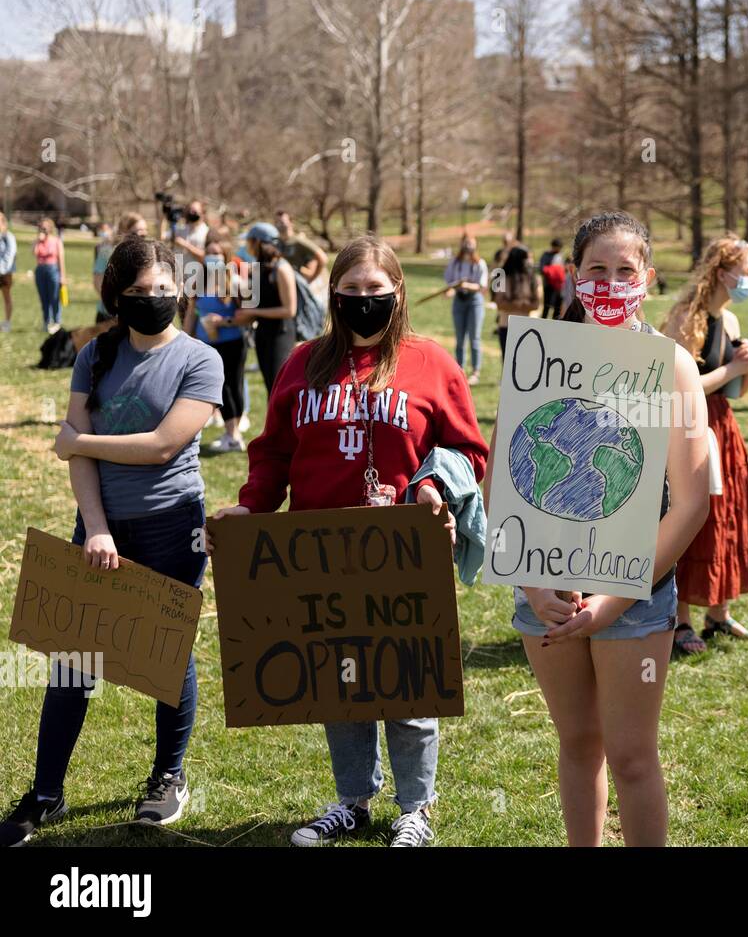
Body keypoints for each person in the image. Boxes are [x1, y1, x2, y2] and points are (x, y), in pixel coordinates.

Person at [209, 236, 488, 847]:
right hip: (321, 550)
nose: (365, 300)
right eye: (352, 290)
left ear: (398, 294)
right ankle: (353, 799)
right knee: (341, 679)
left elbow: (470, 447)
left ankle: (416, 806)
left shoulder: (431, 363)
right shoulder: (304, 362)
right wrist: (251, 507)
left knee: (406, 682)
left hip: (402, 548)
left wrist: (435, 482)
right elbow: (275, 451)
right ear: (334, 294)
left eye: (376, 290)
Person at [486, 210, 709, 846]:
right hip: (544, 589)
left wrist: (616, 600)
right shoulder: (537, 355)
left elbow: (691, 501)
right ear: (574, 276)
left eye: (625, 271)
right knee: (578, 744)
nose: (610, 283)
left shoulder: (671, 367)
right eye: (596, 270)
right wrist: (531, 584)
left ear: (648, 279)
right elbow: (501, 479)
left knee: (633, 756)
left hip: (636, 595)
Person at [0, 236, 223, 847]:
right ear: (116, 297)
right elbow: (78, 453)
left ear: (180, 290)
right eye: (137, 292)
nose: (152, 300)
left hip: (174, 524)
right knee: (74, 660)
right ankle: (46, 792)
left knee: (166, 651)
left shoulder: (202, 360)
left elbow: (161, 445)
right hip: (101, 523)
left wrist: (79, 440)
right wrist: (94, 525)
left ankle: (167, 775)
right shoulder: (94, 355)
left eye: (162, 289)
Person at [662, 235, 748, 655]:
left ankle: (718, 613)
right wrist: (734, 364)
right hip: (688, 425)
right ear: (721, 272)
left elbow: (733, 390)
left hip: (723, 426)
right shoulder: (684, 317)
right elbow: (678, 388)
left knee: (728, 515)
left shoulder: (728, 320)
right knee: (693, 517)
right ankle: (679, 621)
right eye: (745, 274)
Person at [183, 238, 249, 453]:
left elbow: (247, 316)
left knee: (233, 385)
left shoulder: (236, 283)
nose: (213, 257)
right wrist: (185, 338)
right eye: (209, 252)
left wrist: (223, 322)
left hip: (233, 342)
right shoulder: (197, 282)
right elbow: (192, 313)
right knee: (222, 387)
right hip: (207, 345)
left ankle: (233, 433)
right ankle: (233, 434)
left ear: (226, 257)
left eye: (217, 253)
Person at [236, 222, 298, 394]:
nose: (247, 246)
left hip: (280, 334)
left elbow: (289, 310)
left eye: (249, 241)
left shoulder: (282, 268)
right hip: (263, 333)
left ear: (258, 242)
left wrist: (254, 312)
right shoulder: (259, 268)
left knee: (279, 387)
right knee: (270, 387)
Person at [444, 236, 489, 384]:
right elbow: (449, 282)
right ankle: (460, 370)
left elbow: (482, 286)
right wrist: (451, 290)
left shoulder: (480, 263)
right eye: (466, 244)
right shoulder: (455, 263)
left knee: (474, 338)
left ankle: (476, 372)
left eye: (471, 244)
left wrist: (466, 285)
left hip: (474, 301)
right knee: (460, 338)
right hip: (459, 301)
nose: (468, 247)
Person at [491, 244, 540, 355]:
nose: (530, 261)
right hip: (506, 326)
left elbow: (536, 304)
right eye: (527, 258)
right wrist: (520, 304)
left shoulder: (532, 278)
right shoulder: (501, 276)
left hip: (526, 327)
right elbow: (499, 303)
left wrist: (517, 304)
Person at [275, 210, 330, 300]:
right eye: (277, 222)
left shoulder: (298, 241)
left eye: (282, 222)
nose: (279, 225)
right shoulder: (277, 243)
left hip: (302, 287)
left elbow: (323, 258)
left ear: (291, 223)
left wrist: (312, 278)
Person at [32, 217, 66, 333]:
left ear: (50, 227)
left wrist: (63, 276)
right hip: (40, 270)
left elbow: (61, 259)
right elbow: (34, 253)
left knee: (54, 298)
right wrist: (38, 240)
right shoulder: (38, 240)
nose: (43, 228)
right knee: (44, 298)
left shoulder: (56, 240)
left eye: (45, 226)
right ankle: (46, 321)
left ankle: (57, 322)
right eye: (41, 226)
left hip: (53, 270)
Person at [540, 238, 567, 319]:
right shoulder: (546, 255)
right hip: (549, 284)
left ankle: (555, 322)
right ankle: (543, 322)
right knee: (547, 305)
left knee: (557, 306)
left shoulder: (560, 255)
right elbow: (542, 268)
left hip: (559, 285)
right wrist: (552, 272)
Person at [0, 211, 16, 332]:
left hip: (5, 273)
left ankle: (7, 323)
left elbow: (10, 255)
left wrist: (2, 269)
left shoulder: (8, 237)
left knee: (7, 297)